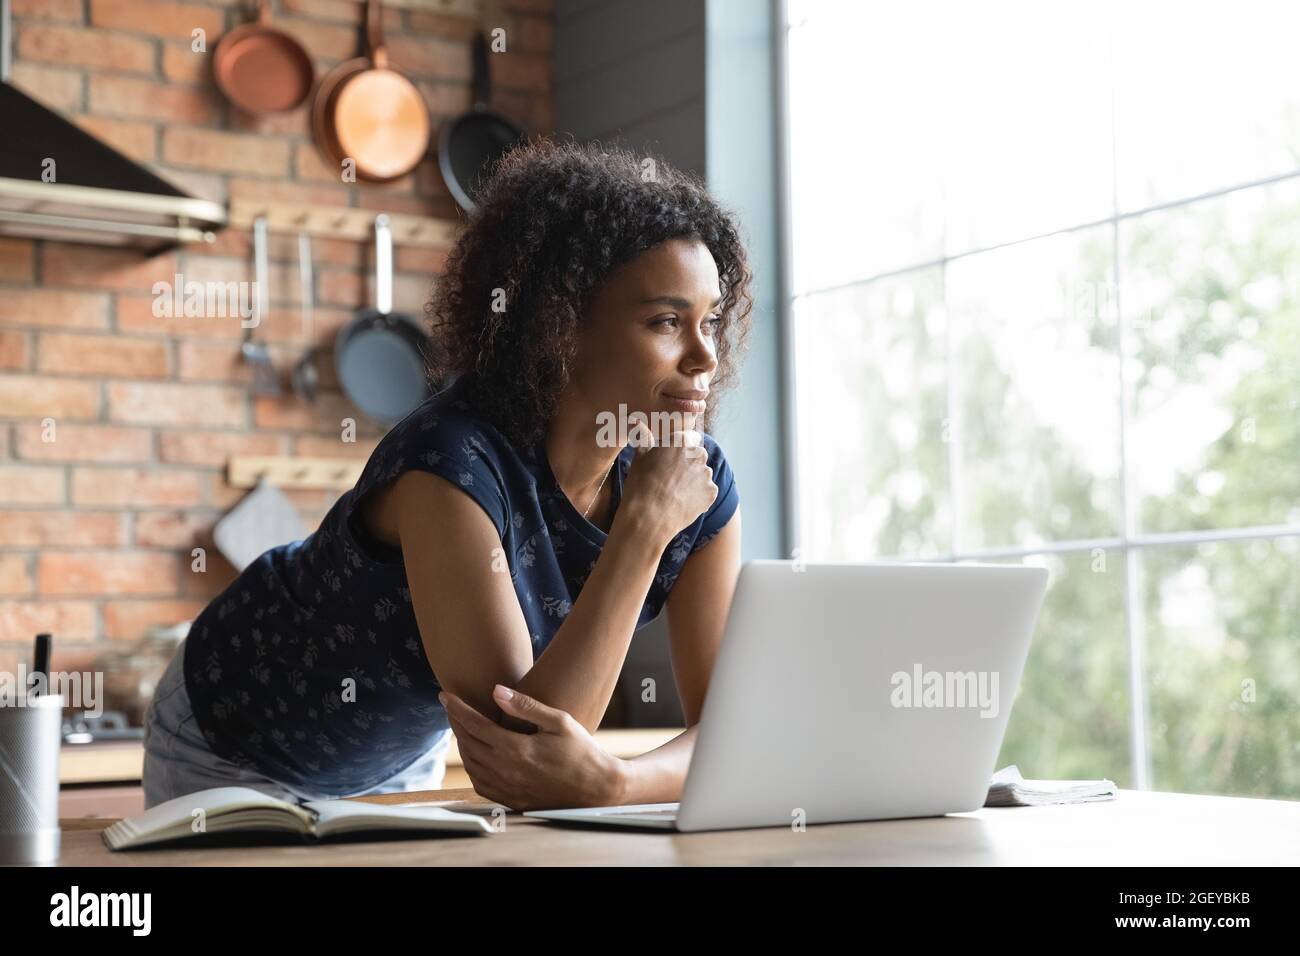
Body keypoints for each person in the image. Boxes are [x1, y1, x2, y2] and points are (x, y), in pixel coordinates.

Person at [142, 137, 753, 811]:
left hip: (398, 755)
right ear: (564, 325)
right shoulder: (450, 461)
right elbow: (522, 748)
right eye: (667, 321)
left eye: (713, 321)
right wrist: (642, 530)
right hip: (238, 739)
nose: (705, 356)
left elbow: (732, 735)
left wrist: (618, 780)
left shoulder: (695, 478)